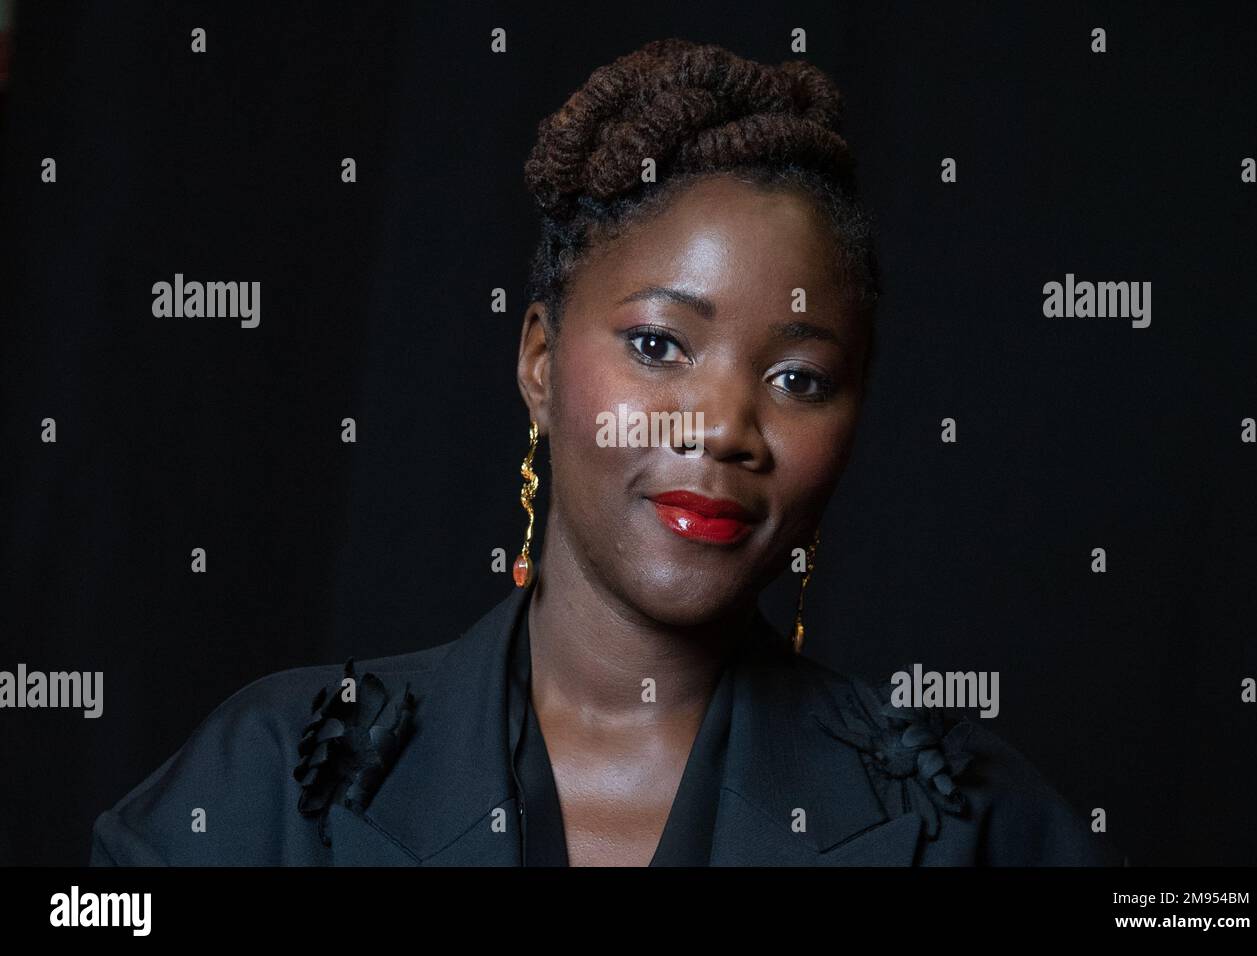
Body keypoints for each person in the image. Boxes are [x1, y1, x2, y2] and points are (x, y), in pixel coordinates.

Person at [90, 38, 1126, 867]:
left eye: (799, 377)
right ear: (540, 362)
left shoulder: (970, 822)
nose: (721, 426)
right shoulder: (274, 777)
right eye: (658, 345)